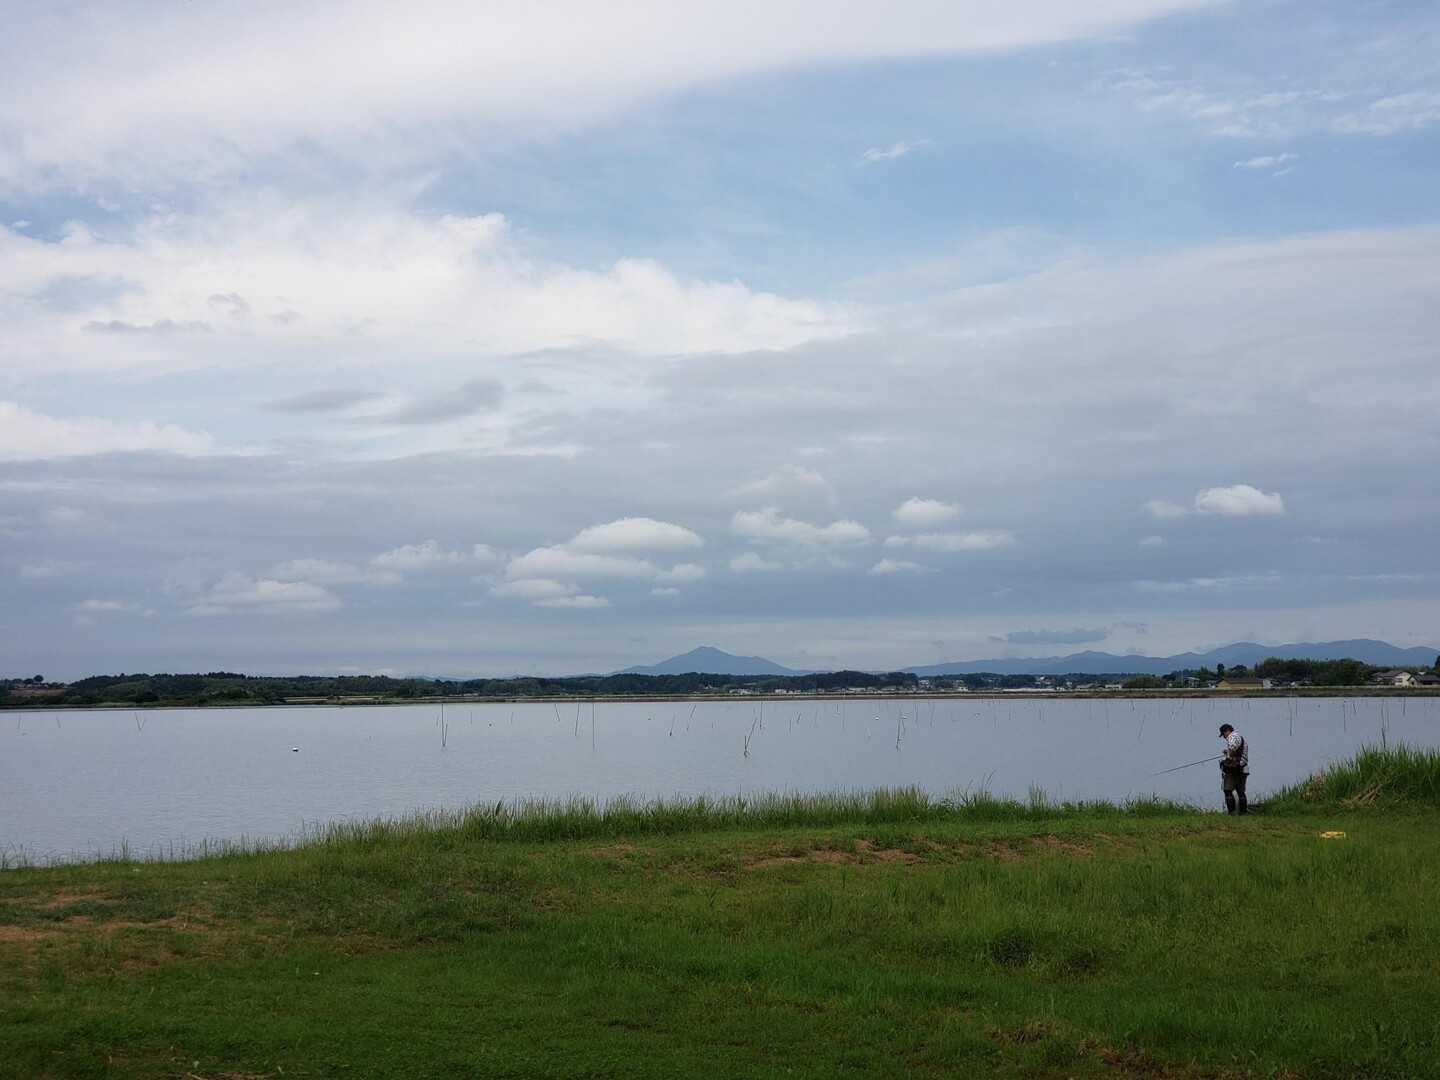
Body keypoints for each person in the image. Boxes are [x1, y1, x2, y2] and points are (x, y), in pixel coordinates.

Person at [1218, 723, 1249, 814]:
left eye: (1223, 734)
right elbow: (1237, 750)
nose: (1224, 737)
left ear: (1228, 731)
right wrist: (1226, 751)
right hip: (1244, 769)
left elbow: (1232, 750)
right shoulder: (1240, 737)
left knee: (1227, 790)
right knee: (1241, 791)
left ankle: (1232, 813)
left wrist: (1228, 760)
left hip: (1235, 770)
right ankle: (1243, 813)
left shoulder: (1232, 737)